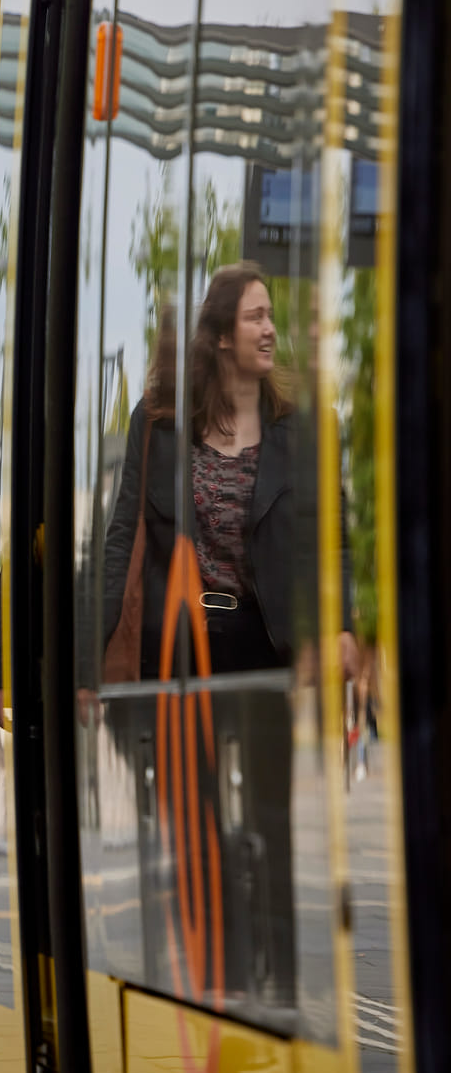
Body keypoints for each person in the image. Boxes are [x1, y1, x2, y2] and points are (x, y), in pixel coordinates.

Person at [97, 261, 355, 1006]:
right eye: (254, 317)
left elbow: (328, 539)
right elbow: (123, 540)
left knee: (272, 813)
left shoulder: (302, 430)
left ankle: (280, 980)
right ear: (218, 338)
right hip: (185, 646)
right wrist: (96, 654)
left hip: (267, 643)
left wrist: (335, 627)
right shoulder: (159, 428)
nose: (269, 329)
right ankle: (229, 970)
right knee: (197, 813)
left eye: (271, 316)